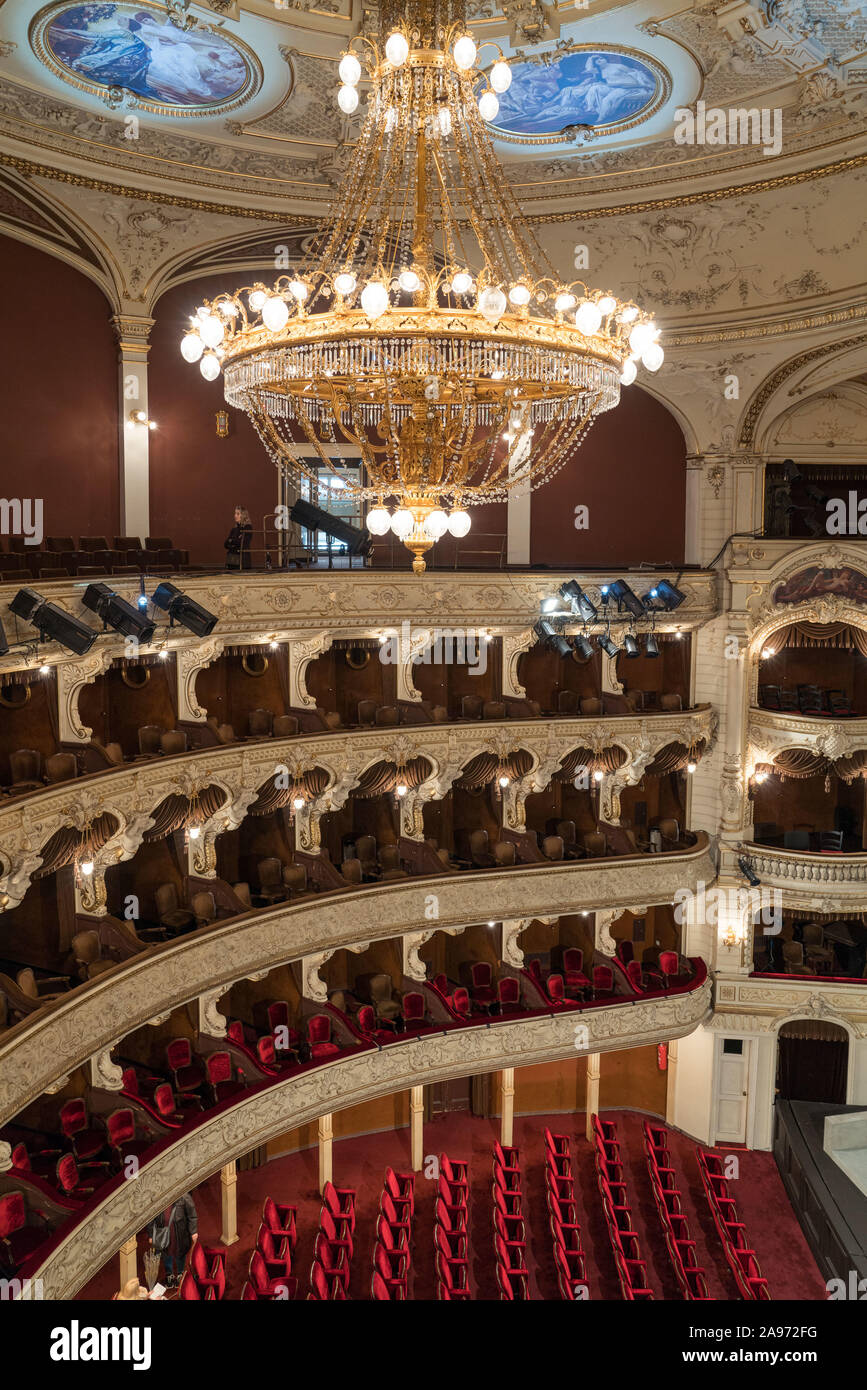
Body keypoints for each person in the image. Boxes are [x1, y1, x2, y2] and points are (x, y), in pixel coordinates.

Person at [147, 1193, 198, 1287]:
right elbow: (150, 1219)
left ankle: (180, 1273)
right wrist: (151, 1235)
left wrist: (193, 1231)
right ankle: (169, 1274)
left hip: (181, 1234)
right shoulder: (156, 1199)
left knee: (180, 1253)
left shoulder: (184, 1197)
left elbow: (192, 1215)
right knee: (166, 1254)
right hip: (163, 1235)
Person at [224, 505, 253, 570]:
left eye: (238, 514)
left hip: (242, 560)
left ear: (243, 515)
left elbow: (242, 543)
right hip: (232, 560)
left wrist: (231, 541)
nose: (235, 516)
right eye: (235, 513)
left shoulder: (247, 527)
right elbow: (225, 544)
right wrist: (234, 541)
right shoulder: (234, 529)